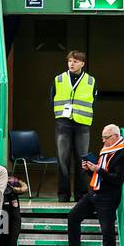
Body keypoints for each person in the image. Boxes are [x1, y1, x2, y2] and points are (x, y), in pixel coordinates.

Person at [59, 124, 124, 246]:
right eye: (102, 137)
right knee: (73, 216)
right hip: (94, 193)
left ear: (116, 137)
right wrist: (89, 170)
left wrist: (98, 170)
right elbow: (99, 176)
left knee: (107, 231)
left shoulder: (123, 155)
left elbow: (117, 180)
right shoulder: (105, 151)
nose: (103, 141)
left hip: (108, 198)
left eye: (106, 137)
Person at [53, 50, 96, 202]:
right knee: (63, 159)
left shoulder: (91, 81)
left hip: (82, 124)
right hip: (63, 123)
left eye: (76, 61)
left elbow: (93, 101)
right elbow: (52, 98)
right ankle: (63, 194)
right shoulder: (58, 79)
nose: (72, 63)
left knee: (82, 160)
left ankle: (81, 194)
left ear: (82, 64)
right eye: (70, 61)